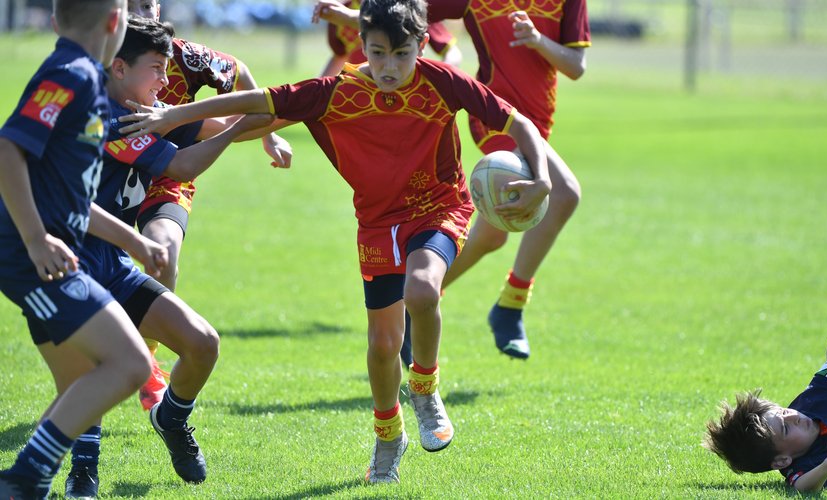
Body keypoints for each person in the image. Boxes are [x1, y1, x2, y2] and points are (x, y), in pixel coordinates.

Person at [119, 0, 551, 483]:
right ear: (362, 45)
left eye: (402, 55)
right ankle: (388, 436)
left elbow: (519, 123)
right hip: (377, 223)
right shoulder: (335, 91)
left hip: (438, 208)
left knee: (423, 289)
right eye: (378, 53)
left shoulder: (443, 81)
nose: (389, 67)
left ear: (422, 45)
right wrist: (176, 115)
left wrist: (542, 179)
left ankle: (425, 387)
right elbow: (255, 101)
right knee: (382, 345)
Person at [47, 17, 272, 498]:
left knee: (203, 344)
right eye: (156, 68)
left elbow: (223, 117)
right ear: (120, 67)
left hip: (113, 266)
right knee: (100, 366)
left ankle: (171, 416)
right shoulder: (108, 117)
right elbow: (184, 163)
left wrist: (290, 109)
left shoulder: (145, 110)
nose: (166, 80)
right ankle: (83, 471)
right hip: (73, 268)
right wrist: (240, 126)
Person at [314, 0, 591, 360]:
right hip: (494, 113)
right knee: (565, 192)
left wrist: (538, 40)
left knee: (492, 235)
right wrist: (351, 17)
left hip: (538, 121)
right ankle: (511, 304)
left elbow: (575, 66)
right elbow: (406, 19)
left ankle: (418, 298)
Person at [0, 1, 164, 497]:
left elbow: (69, 194)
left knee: (79, 387)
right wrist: (35, 239)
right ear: (116, 22)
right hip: (33, 257)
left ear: (55, 21)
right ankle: (23, 480)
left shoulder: (87, 79)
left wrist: (133, 239)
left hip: (46, 253)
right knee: (130, 364)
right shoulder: (70, 74)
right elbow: (7, 149)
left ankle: (27, 483)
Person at [127, 0, 293, 410]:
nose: (139, 12)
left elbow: (240, 74)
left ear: (159, 8)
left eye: (146, 4)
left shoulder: (186, 56)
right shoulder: (98, 55)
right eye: (129, 4)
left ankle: (145, 357)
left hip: (166, 172)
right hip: (108, 175)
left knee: (163, 253)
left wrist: (268, 133)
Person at [705, 293, 827, 492]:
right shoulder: (804, 467)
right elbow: (802, 487)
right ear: (782, 460)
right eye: (786, 428)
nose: (794, 416)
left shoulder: (819, 391)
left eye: (783, 412)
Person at [315, 0, 462, 77]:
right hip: (363, 99)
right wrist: (317, 97)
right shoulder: (337, 15)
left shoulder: (407, 9)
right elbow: (340, 57)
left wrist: (440, 82)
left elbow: (452, 53)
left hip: (403, 98)